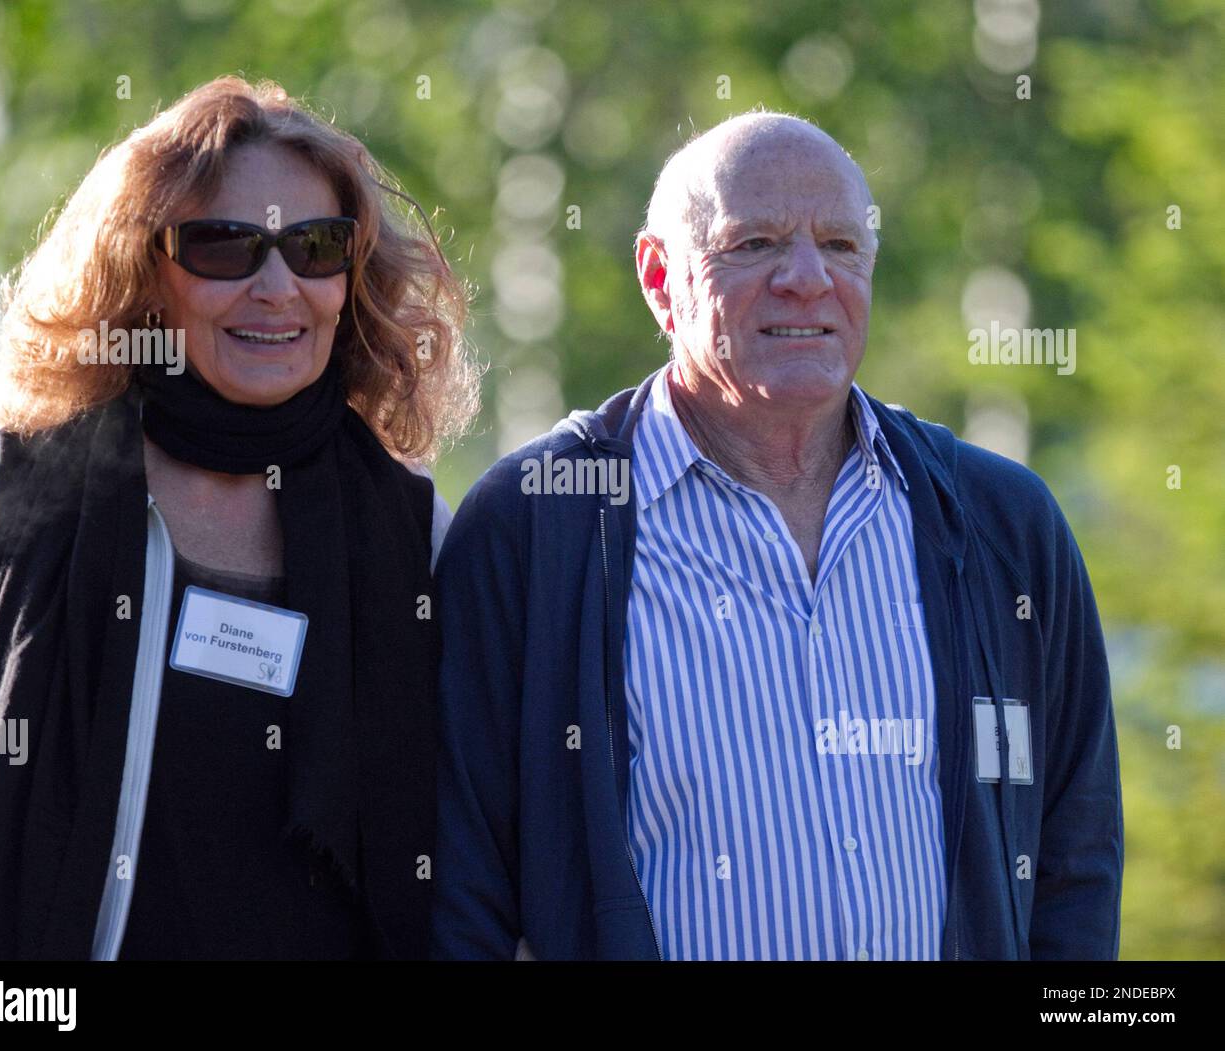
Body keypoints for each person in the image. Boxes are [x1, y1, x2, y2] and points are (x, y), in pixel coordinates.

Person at [432, 111, 1122, 960]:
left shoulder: (1002, 523)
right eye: (753, 243)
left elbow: (1075, 867)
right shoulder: (536, 524)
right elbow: (462, 895)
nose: (806, 278)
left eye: (840, 244)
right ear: (660, 276)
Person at [0, 75, 478, 960]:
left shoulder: (418, 531)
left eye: (315, 246)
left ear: (350, 276)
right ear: (149, 273)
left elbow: (467, 854)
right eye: (225, 247)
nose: (275, 287)